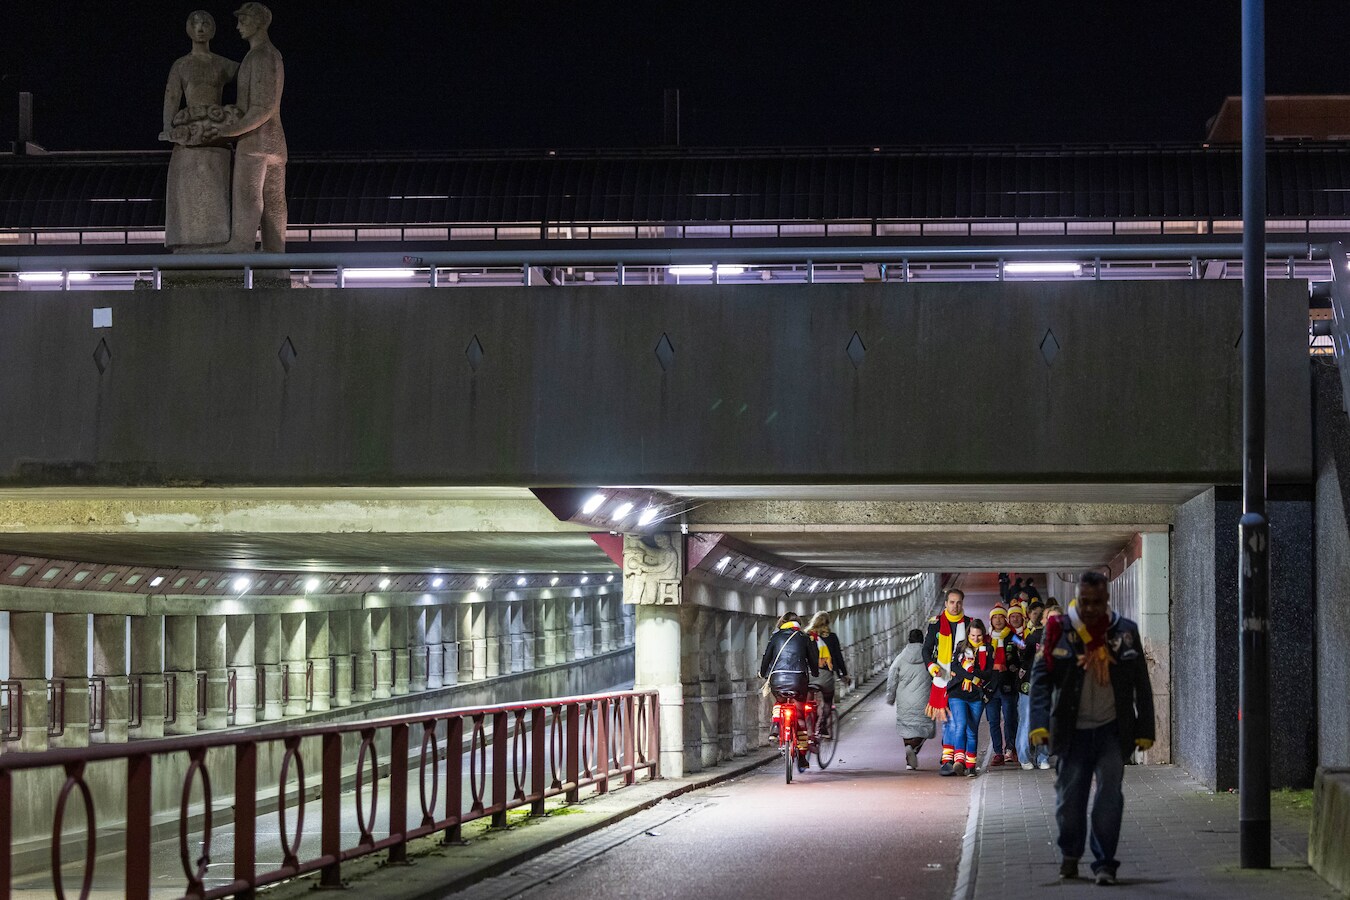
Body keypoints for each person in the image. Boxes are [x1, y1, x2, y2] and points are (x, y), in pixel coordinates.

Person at [1030, 572, 1155, 886]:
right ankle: (1070, 855)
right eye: (1085, 601)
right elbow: (1041, 680)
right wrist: (1038, 725)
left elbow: (1141, 681)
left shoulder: (1125, 633)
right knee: (1070, 802)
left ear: (1107, 600)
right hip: (1072, 733)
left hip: (1112, 731)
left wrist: (1145, 728)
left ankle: (1104, 864)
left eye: (1097, 602)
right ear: (1078, 597)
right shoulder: (1059, 630)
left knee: (1109, 798)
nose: (1090, 608)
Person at [208, 3, 288, 252]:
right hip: (275, 142)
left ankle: (241, 243)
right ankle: (276, 258)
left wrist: (229, 130)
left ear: (258, 23)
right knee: (273, 199)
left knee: (249, 194)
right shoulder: (270, 54)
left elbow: (262, 107)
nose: (238, 25)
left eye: (243, 20)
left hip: (257, 140)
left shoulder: (261, 55)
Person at [161, 10, 239, 250]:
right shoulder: (182, 65)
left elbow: (248, 77)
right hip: (189, 136)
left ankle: (218, 242)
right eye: (195, 23)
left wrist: (239, 115)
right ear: (188, 29)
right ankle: (186, 241)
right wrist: (167, 128)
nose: (201, 27)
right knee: (188, 195)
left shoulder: (222, 63)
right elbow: (172, 96)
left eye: (206, 23)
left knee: (217, 191)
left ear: (213, 29)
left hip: (216, 135)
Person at [759, 612, 819, 772]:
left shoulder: (775, 637)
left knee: (779, 701)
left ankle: (776, 726)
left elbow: (766, 659)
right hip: (798, 680)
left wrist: (763, 673)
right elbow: (813, 662)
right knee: (799, 717)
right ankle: (801, 758)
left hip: (778, 678)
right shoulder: (804, 637)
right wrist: (814, 672)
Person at [922, 588, 972, 775]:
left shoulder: (968, 624)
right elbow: (926, 650)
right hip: (942, 679)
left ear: (962, 603)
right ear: (945, 603)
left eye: (958, 602)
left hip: (961, 679)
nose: (955, 605)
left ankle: (958, 756)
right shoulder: (935, 625)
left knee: (960, 721)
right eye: (951, 602)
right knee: (949, 721)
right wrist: (931, 666)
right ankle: (949, 759)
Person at [946, 619, 993, 777]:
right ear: (968, 634)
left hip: (976, 695)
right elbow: (954, 666)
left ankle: (971, 765)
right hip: (958, 693)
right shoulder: (961, 647)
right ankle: (959, 760)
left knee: (972, 730)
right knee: (961, 725)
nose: (975, 639)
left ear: (983, 635)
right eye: (973, 635)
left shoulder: (988, 650)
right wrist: (971, 675)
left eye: (979, 636)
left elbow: (988, 674)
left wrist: (972, 673)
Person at [885, 628, 935, 770]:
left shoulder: (900, 658)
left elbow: (892, 677)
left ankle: (908, 753)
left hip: (904, 700)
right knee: (924, 727)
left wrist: (890, 698)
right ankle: (914, 748)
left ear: (909, 640)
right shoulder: (928, 657)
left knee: (906, 728)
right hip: (925, 698)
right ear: (922, 640)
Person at [1011, 601, 1051, 770]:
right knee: (1026, 721)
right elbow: (1023, 654)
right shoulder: (1033, 637)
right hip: (1029, 684)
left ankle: (1043, 757)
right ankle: (1024, 756)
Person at [985, 602, 1019, 766]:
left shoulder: (1013, 636)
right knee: (993, 720)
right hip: (991, 686)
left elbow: (1025, 652)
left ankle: (1010, 749)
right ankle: (998, 752)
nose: (998, 620)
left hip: (1008, 684)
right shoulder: (986, 639)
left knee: (1010, 718)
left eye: (1001, 617)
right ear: (990, 620)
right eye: (995, 617)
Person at [804, 611, 849, 735]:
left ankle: (807, 725)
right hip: (825, 675)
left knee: (807, 700)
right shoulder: (832, 637)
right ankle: (822, 725)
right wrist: (844, 674)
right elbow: (838, 657)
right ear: (828, 623)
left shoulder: (806, 636)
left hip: (809, 675)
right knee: (828, 700)